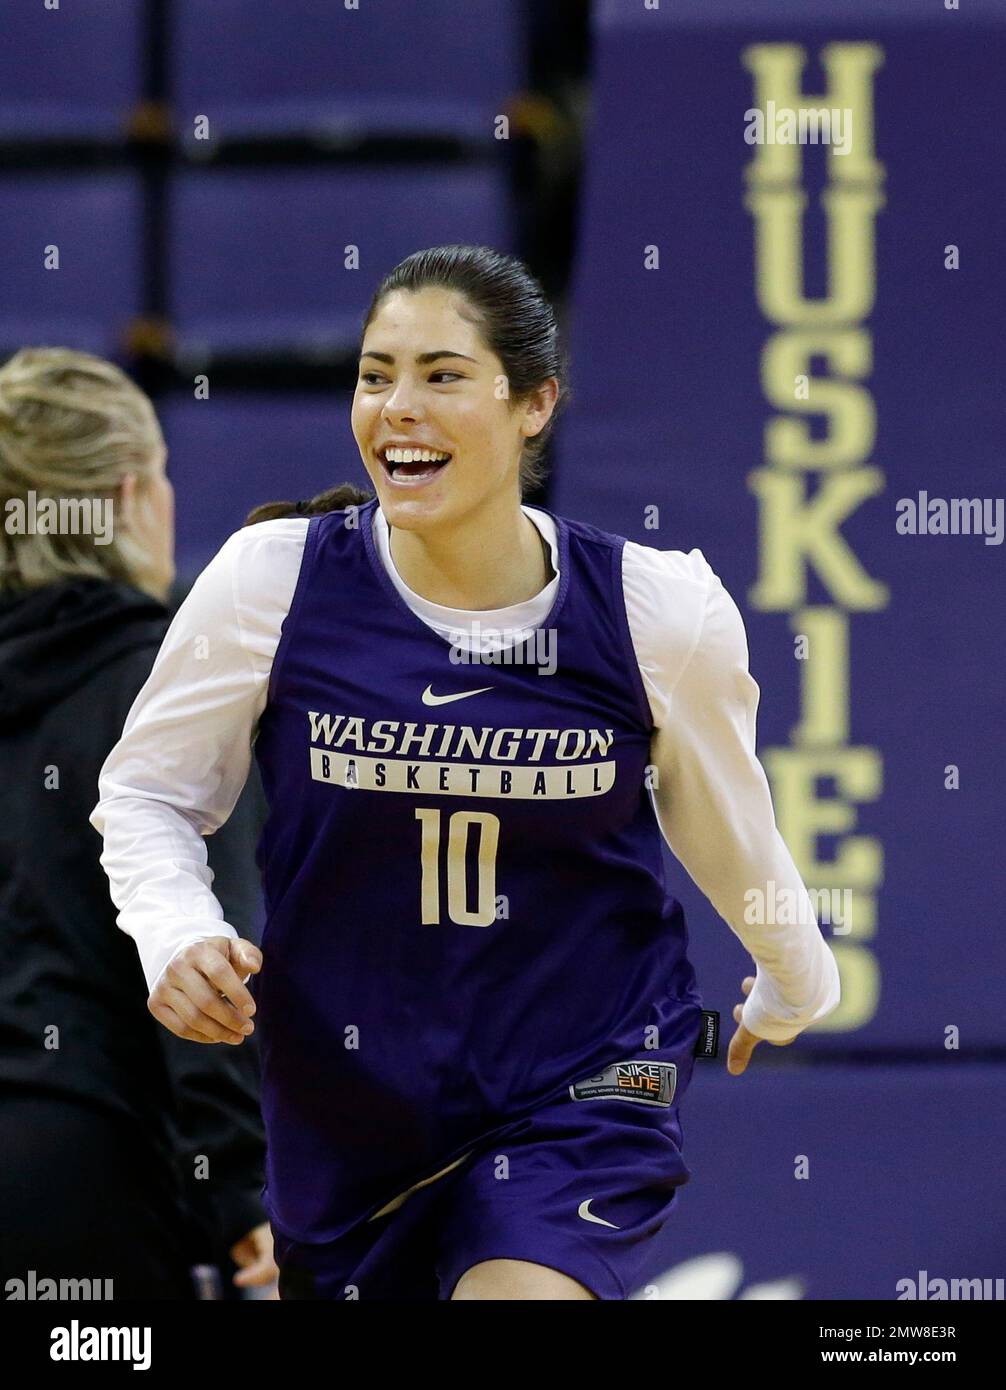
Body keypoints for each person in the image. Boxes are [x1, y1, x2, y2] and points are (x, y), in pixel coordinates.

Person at [91, 245, 840, 1302]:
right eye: (373, 373)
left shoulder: (657, 613)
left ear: (533, 404)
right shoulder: (274, 580)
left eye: (441, 375)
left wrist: (798, 979)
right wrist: (175, 934)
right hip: (351, 1104)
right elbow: (148, 793)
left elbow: (727, 831)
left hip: (583, 1079)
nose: (397, 405)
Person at [0, 347, 276, 1298]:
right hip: (87, 1176)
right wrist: (246, 1196)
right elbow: (207, 958)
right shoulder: (167, 681)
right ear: (127, 494)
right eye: (162, 474)